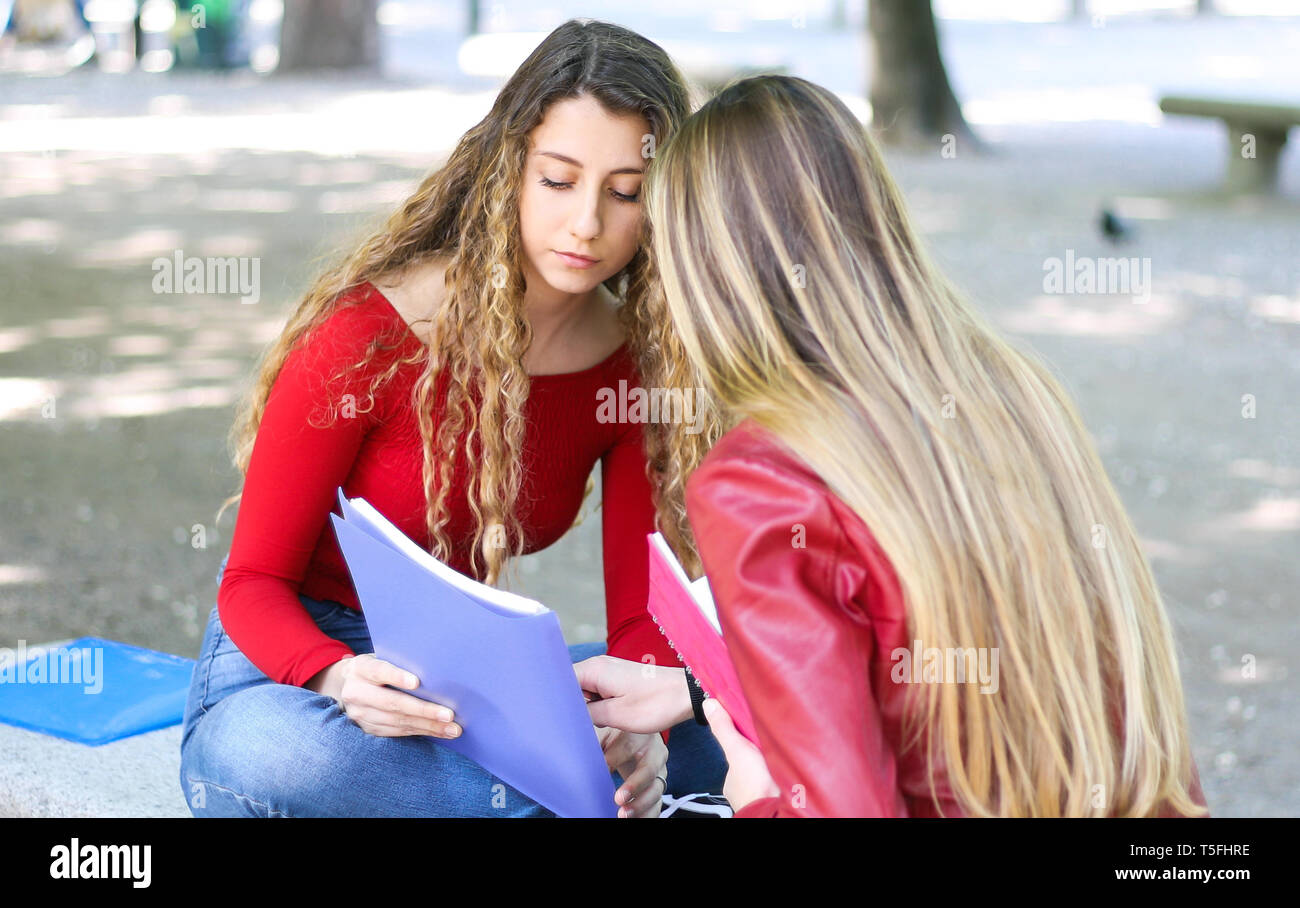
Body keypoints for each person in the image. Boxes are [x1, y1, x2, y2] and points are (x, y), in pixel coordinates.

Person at [575, 75, 1210, 818]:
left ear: (702, 268)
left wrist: (757, 800)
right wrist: (700, 686)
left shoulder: (762, 478)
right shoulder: (1016, 394)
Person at [179, 19, 727, 818]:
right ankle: (562, 800)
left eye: (624, 193)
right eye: (559, 180)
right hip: (291, 676)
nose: (586, 224)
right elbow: (253, 583)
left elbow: (640, 614)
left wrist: (638, 730)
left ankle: (566, 794)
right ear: (509, 169)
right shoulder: (367, 335)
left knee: (694, 715)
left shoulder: (633, 367)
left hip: (463, 682)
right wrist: (337, 675)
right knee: (269, 757)